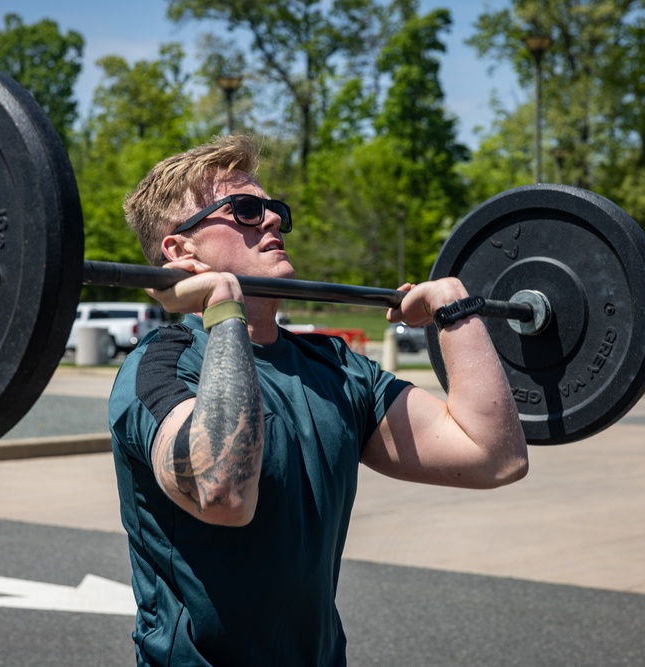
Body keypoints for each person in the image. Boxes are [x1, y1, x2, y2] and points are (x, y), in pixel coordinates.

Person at [109, 134, 528, 666]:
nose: (272, 221)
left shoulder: (337, 368)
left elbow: (495, 456)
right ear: (180, 250)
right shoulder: (159, 365)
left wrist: (454, 307)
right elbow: (223, 494)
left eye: (274, 210)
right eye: (244, 209)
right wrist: (222, 305)